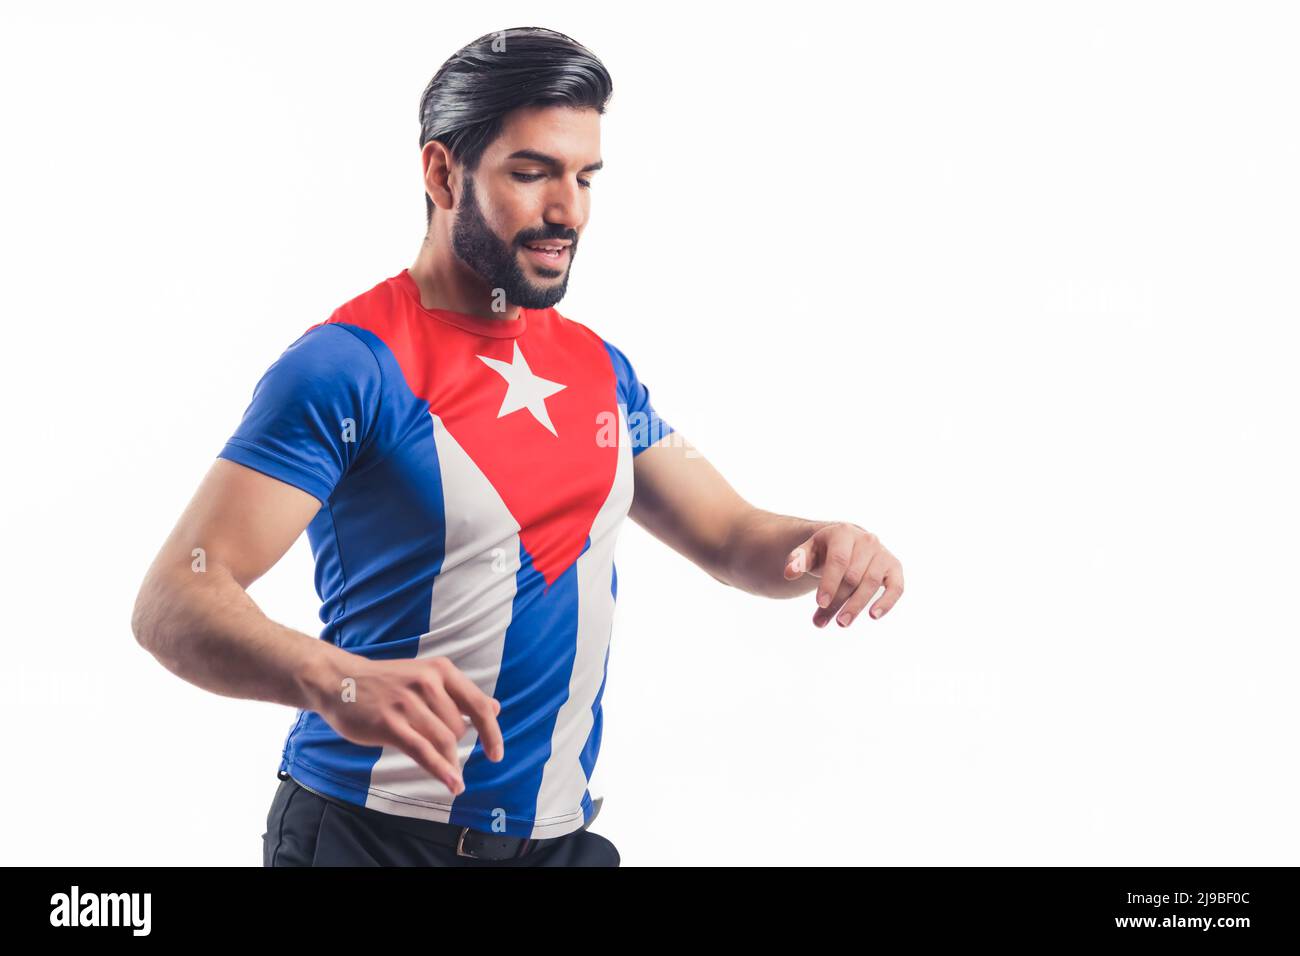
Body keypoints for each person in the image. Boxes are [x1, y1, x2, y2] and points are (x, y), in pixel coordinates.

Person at [131, 26, 904, 867]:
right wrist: (334, 679)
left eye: (584, 176)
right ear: (440, 173)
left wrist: (820, 541)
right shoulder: (347, 366)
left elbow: (731, 536)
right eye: (531, 174)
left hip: (557, 843)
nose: (567, 209)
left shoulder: (596, 369)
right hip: (373, 837)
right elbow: (176, 597)